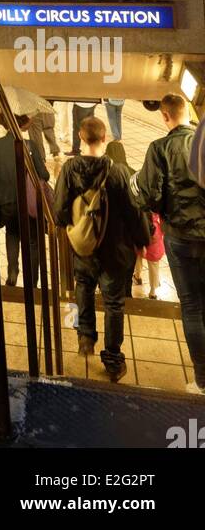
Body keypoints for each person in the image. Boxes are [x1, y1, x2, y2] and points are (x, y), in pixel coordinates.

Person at [54, 116, 150, 382]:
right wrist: (143, 240)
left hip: (84, 250)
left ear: (80, 138)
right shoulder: (118, 172)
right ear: (105, 139)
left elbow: (59, 212)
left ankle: (85, 336)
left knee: (83, 286)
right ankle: (112, 360)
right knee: (113, 304)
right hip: (114, 252)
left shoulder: (70, 169)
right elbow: (134, 213)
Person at [130, 93, 205, 395]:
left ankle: (202, 381)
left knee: (192, 307)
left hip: (180, 237)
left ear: (164, 116)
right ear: (187, 111)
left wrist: (137, 184)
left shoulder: (159, 148)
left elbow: (148, 196)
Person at [0, 113, 50, 287]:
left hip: (5, 201)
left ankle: (12, 270)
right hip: (27, 204)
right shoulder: (29, 145)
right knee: (32, 241)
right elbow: (44, 175)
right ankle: (32, 281)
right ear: (21, 125)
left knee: (12, 234)